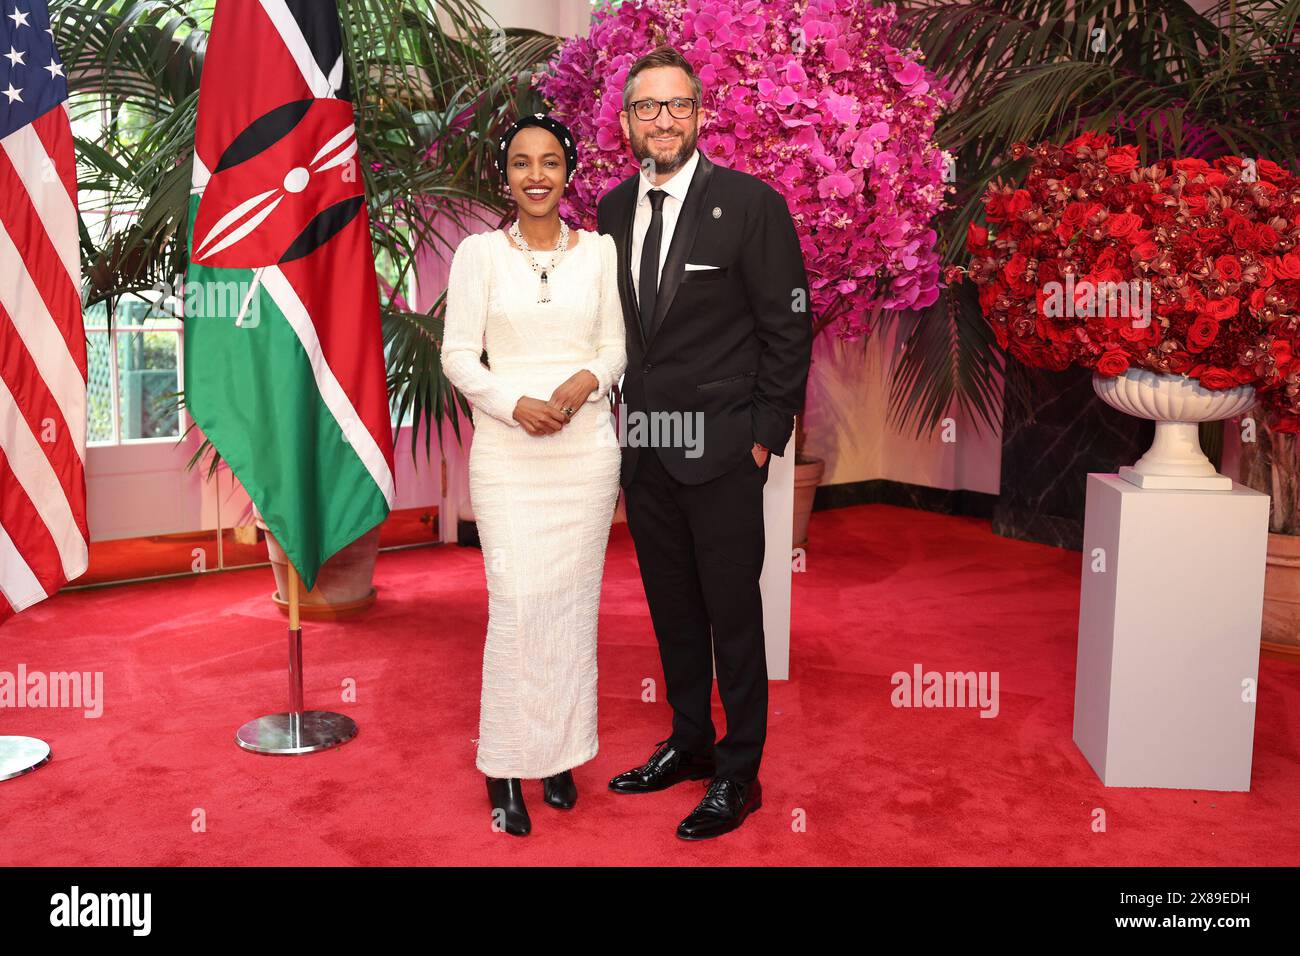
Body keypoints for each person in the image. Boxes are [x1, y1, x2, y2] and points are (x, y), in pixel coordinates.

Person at [596, 46, 813, 840]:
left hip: (723, 450)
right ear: (626, 122)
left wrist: (762, 438)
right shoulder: (612, 209)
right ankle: (688, 744)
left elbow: (787, 327)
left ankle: (739, 771)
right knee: (672, 609)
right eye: (647, 108)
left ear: (699, 114)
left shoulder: (752, 204)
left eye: (676, 106)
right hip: (645, 449)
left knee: (733, 617)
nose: (662, 121)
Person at [440, 114, 626, 837]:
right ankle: (504, 763)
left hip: (584, 454)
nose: (537, 175)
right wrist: (512, 403)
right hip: (509, 453)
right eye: (522, 163)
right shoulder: (479, 254)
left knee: (571, 606)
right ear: (506, 174)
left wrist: (586, 380)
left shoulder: (602, 252)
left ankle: (559, 754)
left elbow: (616, 345)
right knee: (517, 604)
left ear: (570, 170)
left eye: (550, 162)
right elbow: (458, 355)